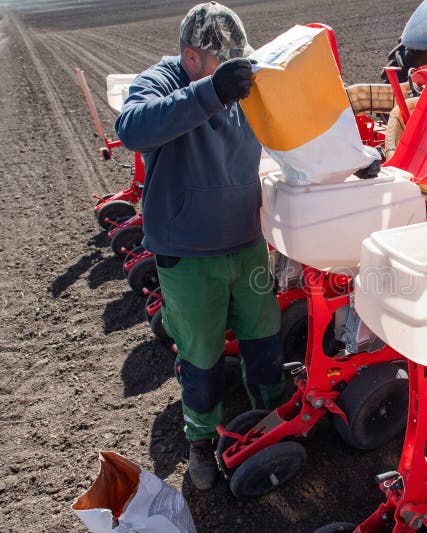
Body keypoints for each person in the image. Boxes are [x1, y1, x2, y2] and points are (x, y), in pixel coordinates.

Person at [115, 2, 283, 490]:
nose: (236, 72)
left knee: (265, 338)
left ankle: (273, 416)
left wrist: (347, 161)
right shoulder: (163, 82)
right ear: (192, 56)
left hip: (245, 242)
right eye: (222, 62)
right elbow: (132, 128)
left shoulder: (238, 87)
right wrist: (210, 92)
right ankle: (201, 442)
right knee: (201, 356)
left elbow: (286, 132)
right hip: (188, 253)